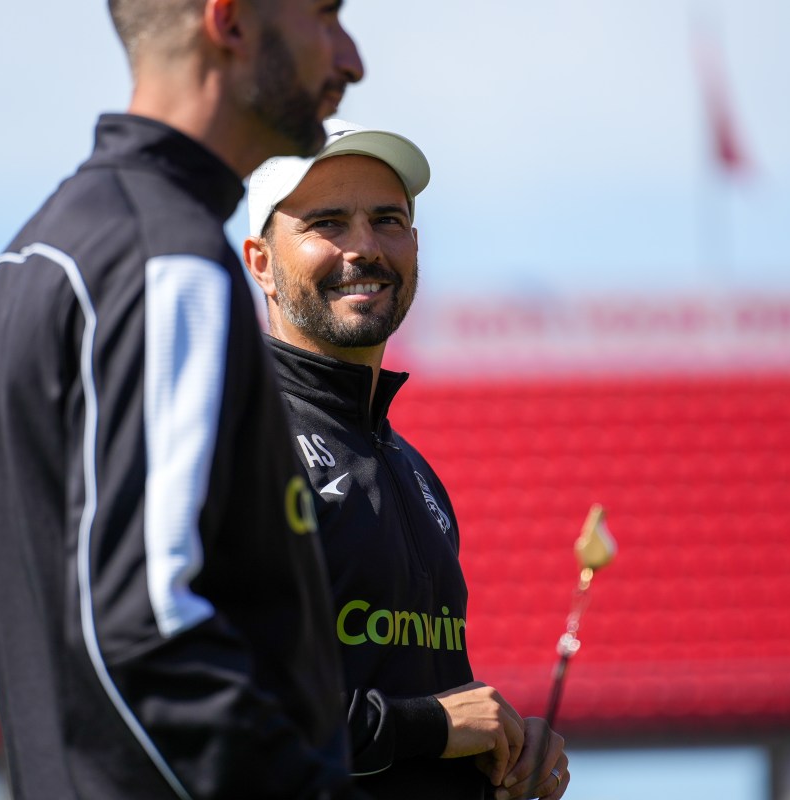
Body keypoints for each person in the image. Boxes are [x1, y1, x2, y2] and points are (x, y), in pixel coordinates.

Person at [0, 2, 366, 798]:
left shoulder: (44, 250)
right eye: (325, 16)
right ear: (231, 23)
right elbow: (147, 631)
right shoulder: (167, 262)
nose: (351, 60)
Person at [241, 119, 571, 800]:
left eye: (387, 220)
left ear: (415, 247)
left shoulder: (414, 469)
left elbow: (436, 714)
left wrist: (504, 752)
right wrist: (430, 727)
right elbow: (233, 709)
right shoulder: (242, 438)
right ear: (262, 263)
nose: (364, 247)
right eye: (328, 223)